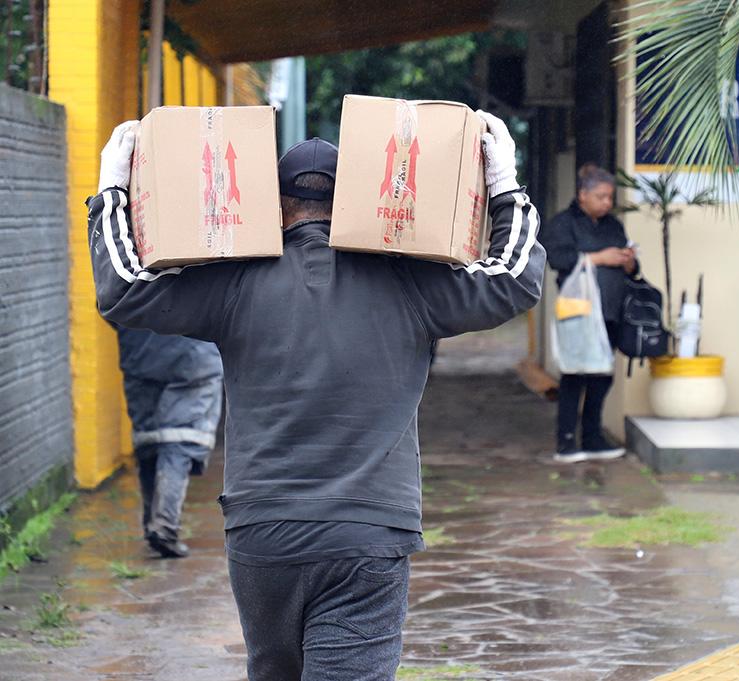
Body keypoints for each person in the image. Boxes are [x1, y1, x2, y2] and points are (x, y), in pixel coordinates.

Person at [88, 113, 543, 681]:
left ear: (273, 208)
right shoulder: (409, 281)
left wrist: (111, 189)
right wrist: (505, 186)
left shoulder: (232, 282)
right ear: (355, 201)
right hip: (369, 533)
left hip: (262, 533)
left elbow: (123, 289)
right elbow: (517, 279)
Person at [540, 163, 635, 463]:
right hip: (579, 311)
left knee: (602, 376)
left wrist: (628, 262)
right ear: (583, 195)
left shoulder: (613, 226)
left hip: (609, 310)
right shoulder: (563, 223)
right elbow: (558, 258)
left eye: (610, 197)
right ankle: (566, 442)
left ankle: (593, 437)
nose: (607, 203)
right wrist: (599, 258)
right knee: (575, 375)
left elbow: (628, 265)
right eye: (601, 197)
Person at [115, 326, 223, 558]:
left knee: (149, 441)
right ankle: (164, 525)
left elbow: (107, 301)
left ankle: (151, 524)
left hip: (139, 355)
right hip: (195, 355)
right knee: (182, 439)